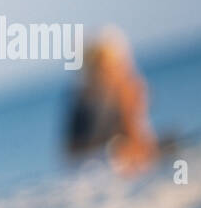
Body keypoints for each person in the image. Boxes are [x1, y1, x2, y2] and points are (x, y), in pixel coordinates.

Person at [65, 27, 159, 174]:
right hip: (119, 168)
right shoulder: (122, 91)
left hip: (104, 171)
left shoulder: (85, 98)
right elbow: (138, 141)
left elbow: (71, 154)